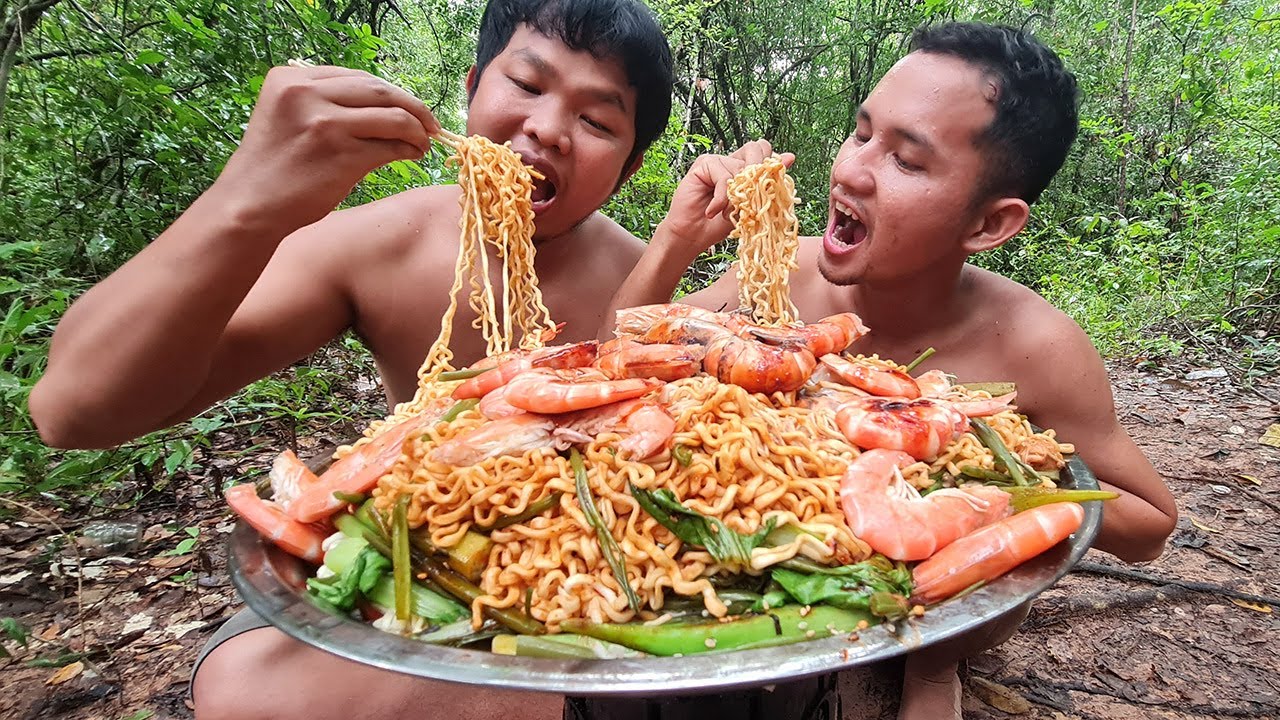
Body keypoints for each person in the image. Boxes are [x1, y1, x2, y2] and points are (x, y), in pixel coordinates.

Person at [29, 0, 674, 718]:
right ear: (470, 87)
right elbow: (73, 409)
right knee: (239, 691)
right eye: (526, 84)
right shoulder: (380, 244)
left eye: (597, 121)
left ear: (631, 164)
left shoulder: (645, 283)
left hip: (599, 579)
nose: (548, 128)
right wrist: (249, 198)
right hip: (407, 558)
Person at [601, 22, 1179, 719]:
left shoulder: (1033, 344)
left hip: (944, 586)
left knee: (969, 591)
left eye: (906, 161)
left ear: (990, 224)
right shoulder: (779, 273)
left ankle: (933, 667)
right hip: (797, 559)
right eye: (861, 132)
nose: (849, 170)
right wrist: (678, 237)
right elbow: (619, 354)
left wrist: (992, 480)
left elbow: (1150, 524)